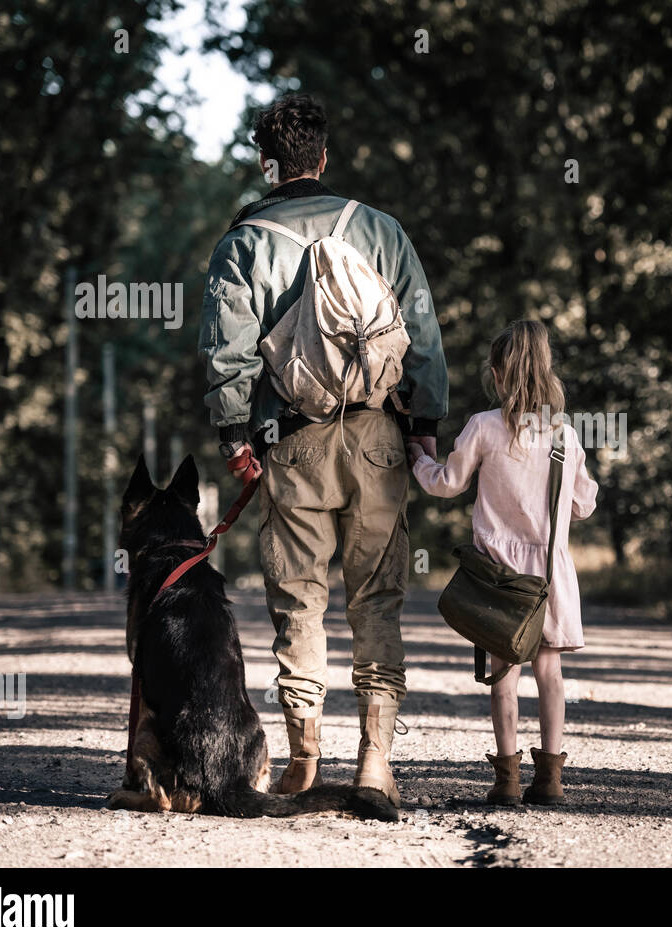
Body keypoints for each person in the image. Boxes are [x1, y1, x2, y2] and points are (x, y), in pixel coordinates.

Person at [197, 93, 448, 808]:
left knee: (298, 601)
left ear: (266, 163)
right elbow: (421, 329)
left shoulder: (243, 242)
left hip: (292, 441)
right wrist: (424, 419)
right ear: (325, 157)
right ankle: (374, 760)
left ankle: (303, 759)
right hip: (378, 437)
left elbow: (226, 352)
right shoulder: (379, 229)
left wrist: (233, 436)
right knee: (377, 597)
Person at [408, 320, 598, 805]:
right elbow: (584, 505)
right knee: (551, 675)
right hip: (549, 575)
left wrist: (417, 461)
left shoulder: (484, 427)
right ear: (547, 370)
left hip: (498, 574)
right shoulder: (564, 434)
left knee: (503, 677)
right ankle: (551, 779)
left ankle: (507, 781)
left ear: (498, 372)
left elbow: (446, 483)